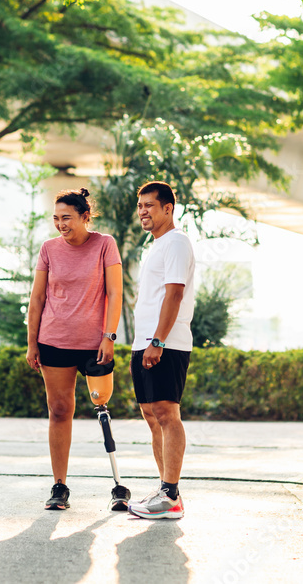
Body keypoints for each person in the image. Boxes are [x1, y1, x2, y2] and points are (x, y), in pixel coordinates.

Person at [26, 187, 123, 510]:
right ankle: (59, 486)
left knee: (102, 406)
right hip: (54, 341)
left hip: (95, 345)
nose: (60, 224)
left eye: (66, 218)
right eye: (56, 218)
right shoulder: (49, 249)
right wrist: (32, 342)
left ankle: (118, 484)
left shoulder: (104, 245)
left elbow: (114, 294)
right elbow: (37, 298)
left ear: (85, 216)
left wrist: (109, 336)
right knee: (59, 411)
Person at [126, 181, 195, 520]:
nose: (143, 211)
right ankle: (168, 491)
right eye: (140, 206)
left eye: (150, 206)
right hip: (146, 343)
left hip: (166, 342)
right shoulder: (156, 246)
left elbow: (175, 294)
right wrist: (144, 345)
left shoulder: (177, 242)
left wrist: (158, 341)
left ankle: (169, 494)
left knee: (167, 414)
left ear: (168, 208)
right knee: (153, 418)